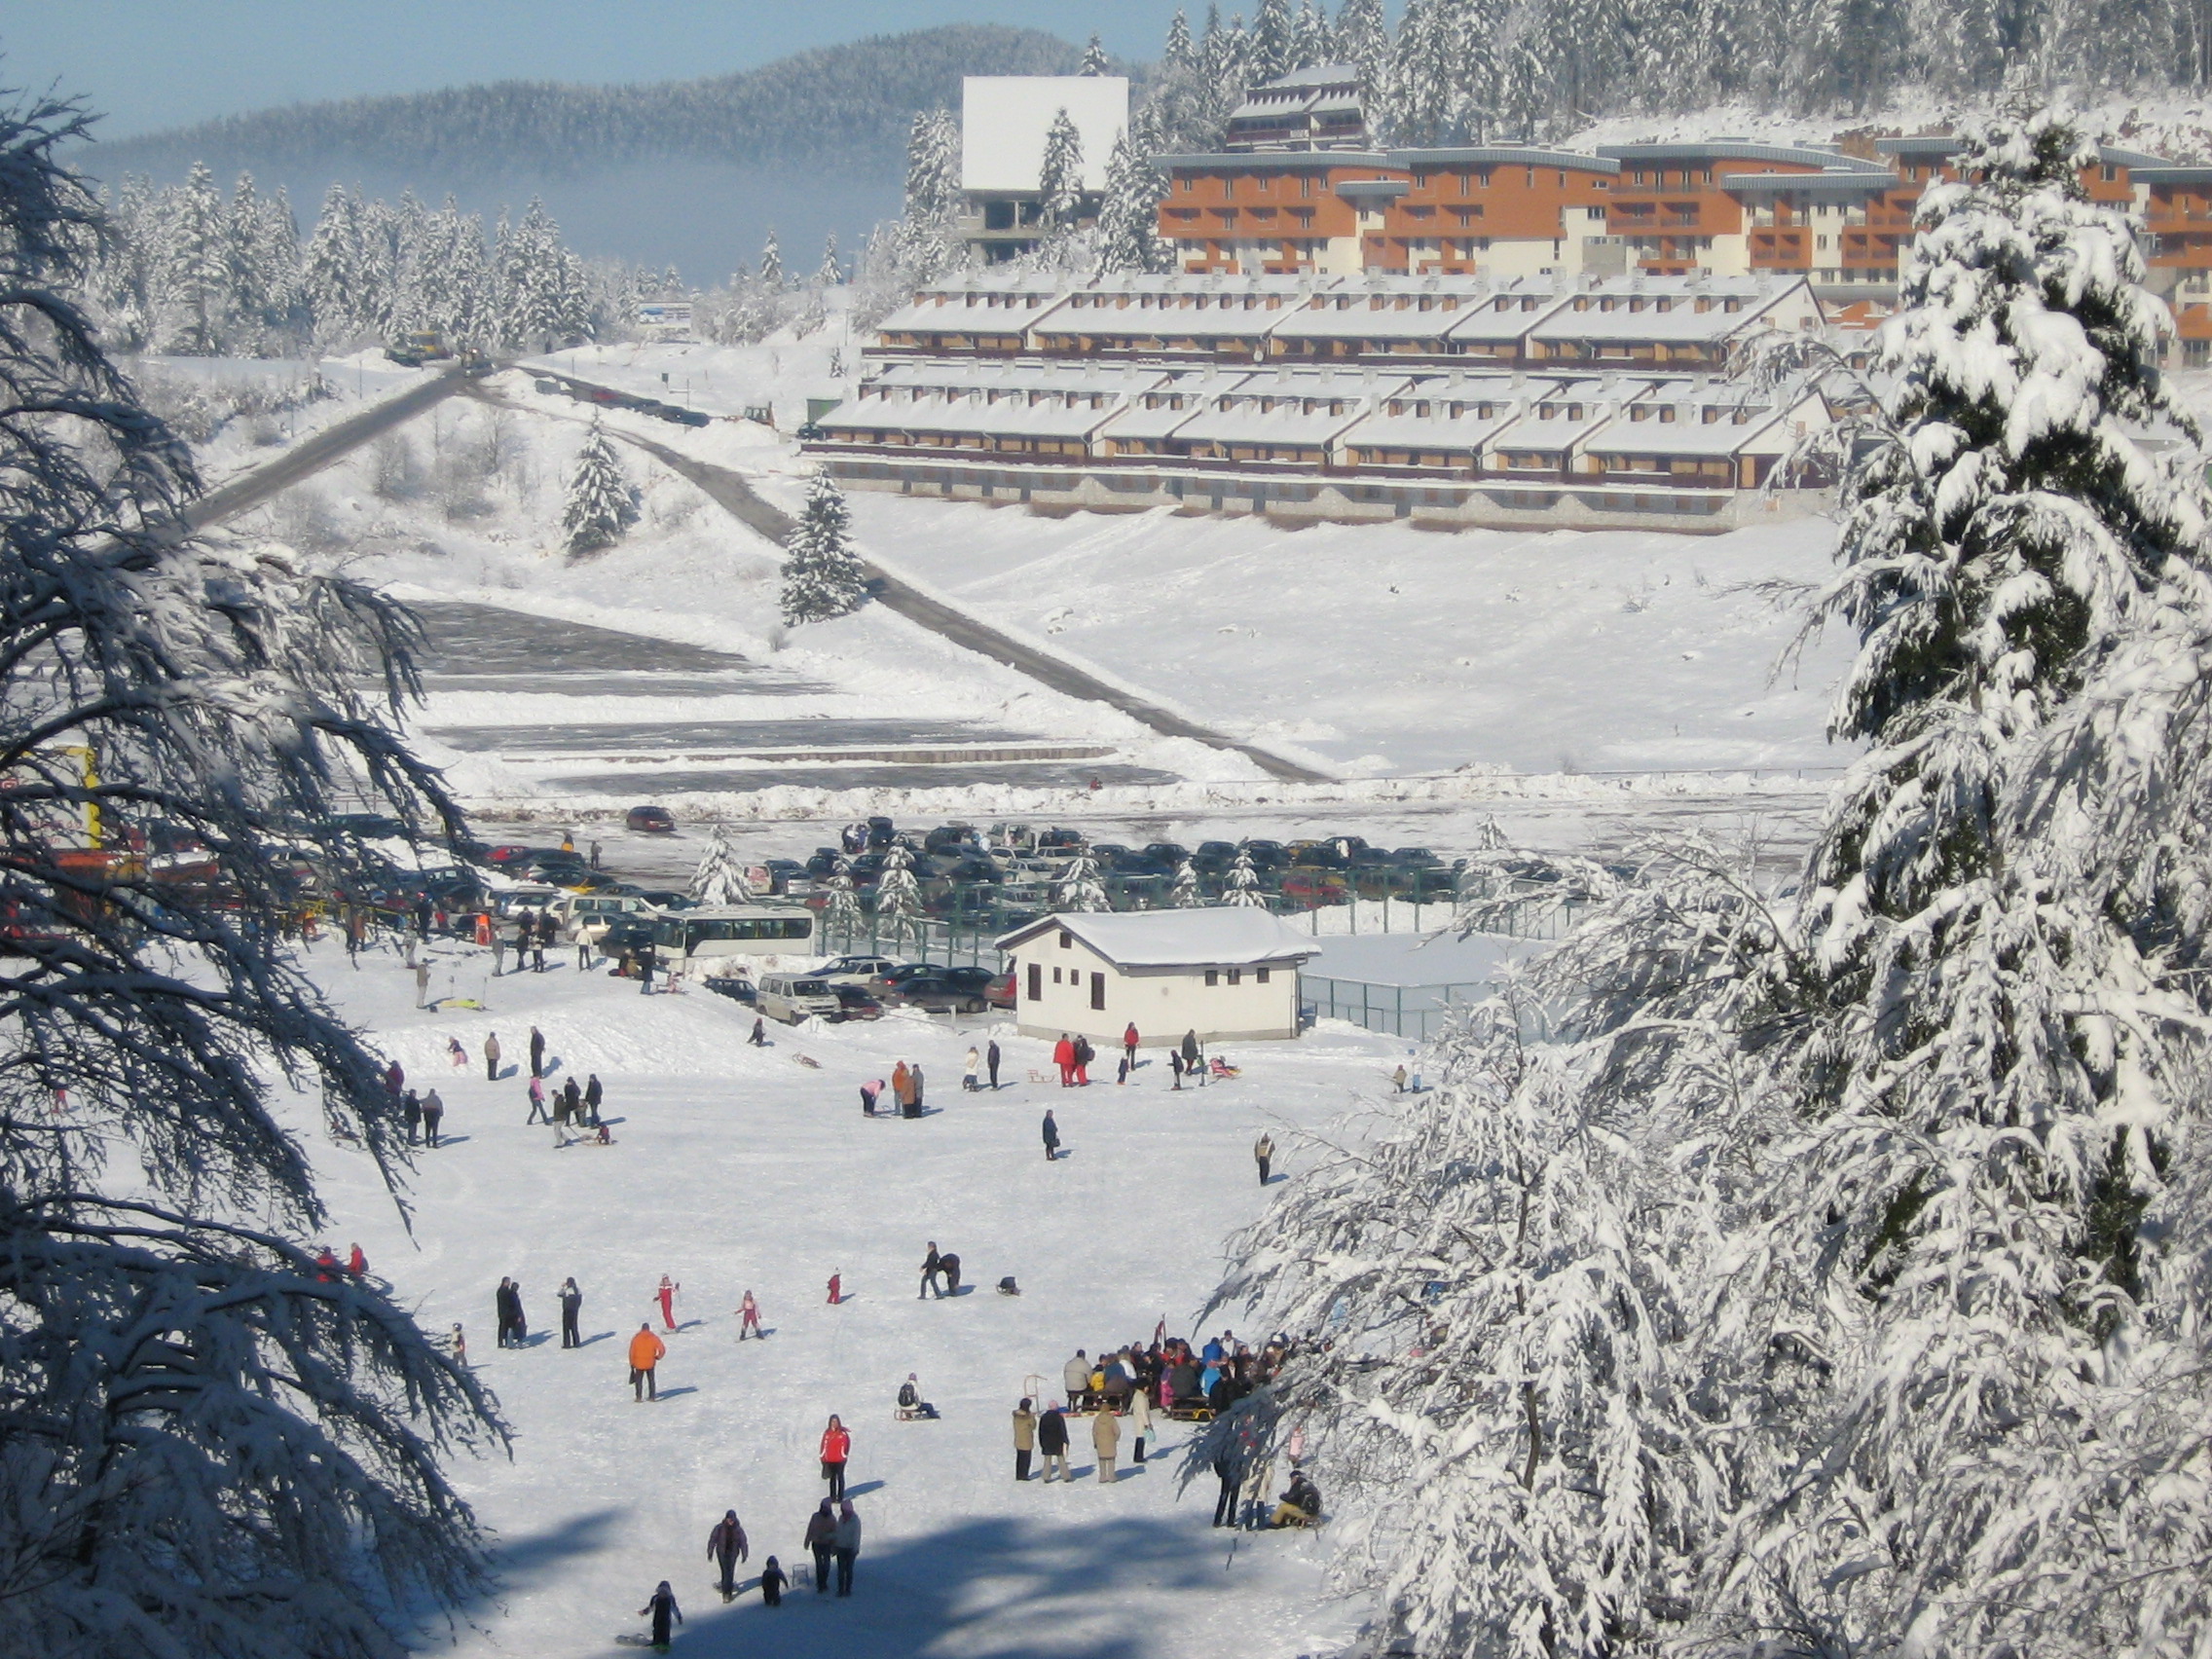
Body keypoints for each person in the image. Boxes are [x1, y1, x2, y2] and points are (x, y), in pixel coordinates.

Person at [707, 1509, 749, 1601]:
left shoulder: (738, 1529)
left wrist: (744, 1554)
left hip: (733, 1553)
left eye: (732, 1519)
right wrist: (710, 1552)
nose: (731, 1521)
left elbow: (743, 1542)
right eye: (729, 1519)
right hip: (722, 1553)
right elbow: (712, 1540)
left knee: (730, 1572)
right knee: (725, 1571)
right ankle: (726, 1591)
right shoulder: (719, 1528)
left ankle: (726, 1591)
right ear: (726, 1518)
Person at [638, 1580, 681, 1651]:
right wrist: (644, 1612)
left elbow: (674, 1608)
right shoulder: (655, 1598)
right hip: (657, 1617)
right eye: (661, 1591)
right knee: (657, 1628)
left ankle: (665, 1643)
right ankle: (656, 1641)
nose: (663, 1594)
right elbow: (651, 1607)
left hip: (666, 1618)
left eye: (665, 1592)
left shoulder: (670, 1599)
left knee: (665, 1629)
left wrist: (679, 1617)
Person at [803, 1500, 835, 1595]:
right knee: (819, 1564)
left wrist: (833, 1545)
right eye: (824, 1507)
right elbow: (810, 1529)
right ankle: (820, 1583)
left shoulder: (832, 1519)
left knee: (826, 1564)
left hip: (827, 1544)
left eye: (827, 1508)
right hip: (816, 1543)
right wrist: (807, 1541)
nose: (825, 1510)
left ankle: (823, 1582)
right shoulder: (815, 1517)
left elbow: (835, 1533)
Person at [629, 1322, 665, 1401]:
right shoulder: (653, 1337)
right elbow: (662, 1349)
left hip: (638, 1363)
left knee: (639, 1381)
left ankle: (638, 1397)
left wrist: (632, 1362)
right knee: (651, 1380)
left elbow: (632, 1351)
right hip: (650, 1362)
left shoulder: (636, 1338)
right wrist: (658, 1357)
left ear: (642, 1329)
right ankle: (652, 1397)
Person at [832, 1500, 861, 1597]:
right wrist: (834, 1545)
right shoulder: (841, 1519)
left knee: (848, 1570)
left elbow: (856, 1536)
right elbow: (838, 1533)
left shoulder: (855, 1521)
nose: (842, 1512)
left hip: (850, 1549)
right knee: (840, 1570)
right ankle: (841, 1589)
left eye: (843, 1510)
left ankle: (848, 1589)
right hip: (840, 1547)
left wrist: (855, 1549)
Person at [820, 1414, 851, 1501]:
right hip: (830, 1459)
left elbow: (847, 1444)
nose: (834, 1423)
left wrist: (844, 1454)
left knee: (840, 1477)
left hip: (840, 1460)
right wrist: (822, 1456)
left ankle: (840, 1497)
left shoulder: (843, 1433)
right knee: (832, 1478)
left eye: (836, 1421)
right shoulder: (827, 1433)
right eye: (833, 1421)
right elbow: (823, 1445)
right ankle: (833, 1497)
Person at [1038, 1402, 1070, 1482]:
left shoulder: (1044, 1417)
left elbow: (1041, 1431)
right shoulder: (1059, 1417)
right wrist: (1066, 1440)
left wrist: (1041, 1442)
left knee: (1047, 1460)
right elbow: (1063, 1430)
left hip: (1047, 1442)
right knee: (1061, 1459)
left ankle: (1046, 1476)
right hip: (1058, 1441)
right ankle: (1065, 1476)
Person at [1091, 1395, 1121, 1484]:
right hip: (1110, 1442)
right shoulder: (1112, 1419)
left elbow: (1094, 1432)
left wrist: (1095, 1442)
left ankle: (1102, 1476)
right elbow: (1117, 1431)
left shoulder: (1097, 1419)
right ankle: (1111, 1476)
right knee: (1111, 1460)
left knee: (1102, 1461)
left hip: (1100, 1443)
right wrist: (1115, 1439)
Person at [1128, 1378, 1153, 1465]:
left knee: (1139, 1437)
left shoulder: (1137, 1395)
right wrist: (1147, 1423)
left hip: (1138, 1419)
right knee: (1141, 1439)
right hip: (1141, 1420)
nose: (1147, 1388)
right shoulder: (1141, 1397)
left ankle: (1138, 1456)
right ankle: (1139, 1457)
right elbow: (1143, 1411)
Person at [1012, 1396, 1037, 1482]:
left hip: (1018, 1439)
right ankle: (1024, 1475)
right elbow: (1033, 1426)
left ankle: (1019, 1474)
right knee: (1026, 1459)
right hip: (1026, 1441)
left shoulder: (1016, 1415)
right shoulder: (1029, 1416)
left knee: (1019, 1458)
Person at [559, 1277, 582, 1347]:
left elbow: (559, 1294)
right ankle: (575, 1343)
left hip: (568, 1310)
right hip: (572, 1311)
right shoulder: (577, 1290)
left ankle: (567, 1344)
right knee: (573, 1327)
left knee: (567, 1328)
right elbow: (579, 1301)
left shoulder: (569, 1290)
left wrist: (563, 1288)